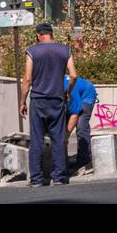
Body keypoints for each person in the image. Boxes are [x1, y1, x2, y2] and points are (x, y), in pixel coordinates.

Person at [20, 23, 77, 187]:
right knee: (58, 139)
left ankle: (37, 179)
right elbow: (73, 75)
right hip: (57, 100)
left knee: (36, 140)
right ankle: (59, 177)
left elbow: (28, 79)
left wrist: (23, 101)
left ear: (38, 35)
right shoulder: (65, 50)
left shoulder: (32, 51)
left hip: (38, 100)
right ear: (51, 34)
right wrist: (67, 91)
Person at [65, 73, 98, 171]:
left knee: (81, 125)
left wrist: (66, 136)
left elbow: (76, 111)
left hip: (86, 95)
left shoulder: (66, 86)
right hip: (75, 95)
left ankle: (84, 160)